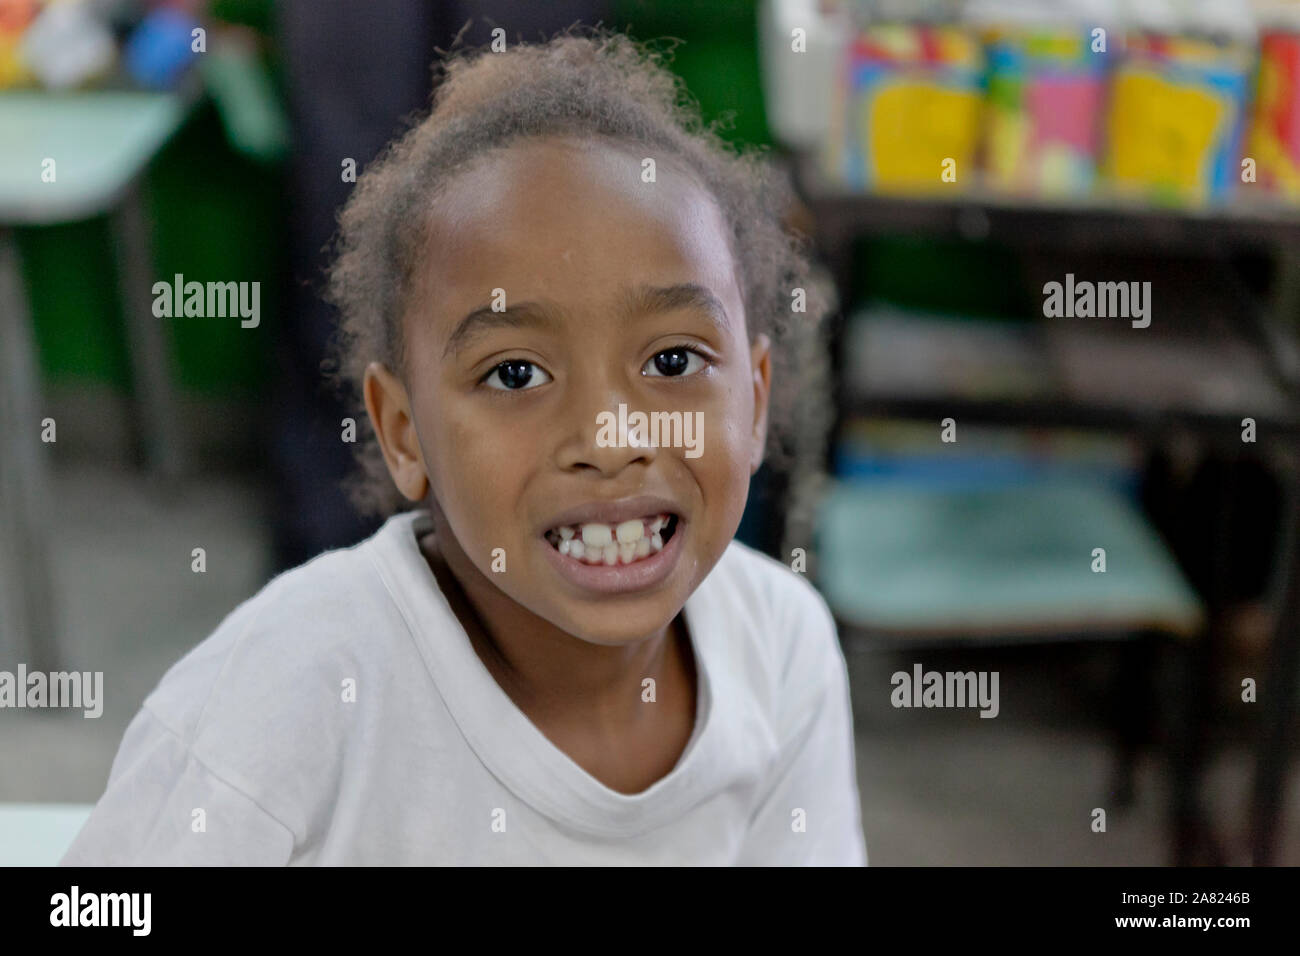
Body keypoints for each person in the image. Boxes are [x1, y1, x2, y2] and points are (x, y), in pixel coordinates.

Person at [62, 28, 867, 865]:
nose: (609, 439)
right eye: (515, 373)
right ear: (403, 433)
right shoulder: (293, 689)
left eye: (672, 361)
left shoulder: (780, 648)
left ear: (756, 397)